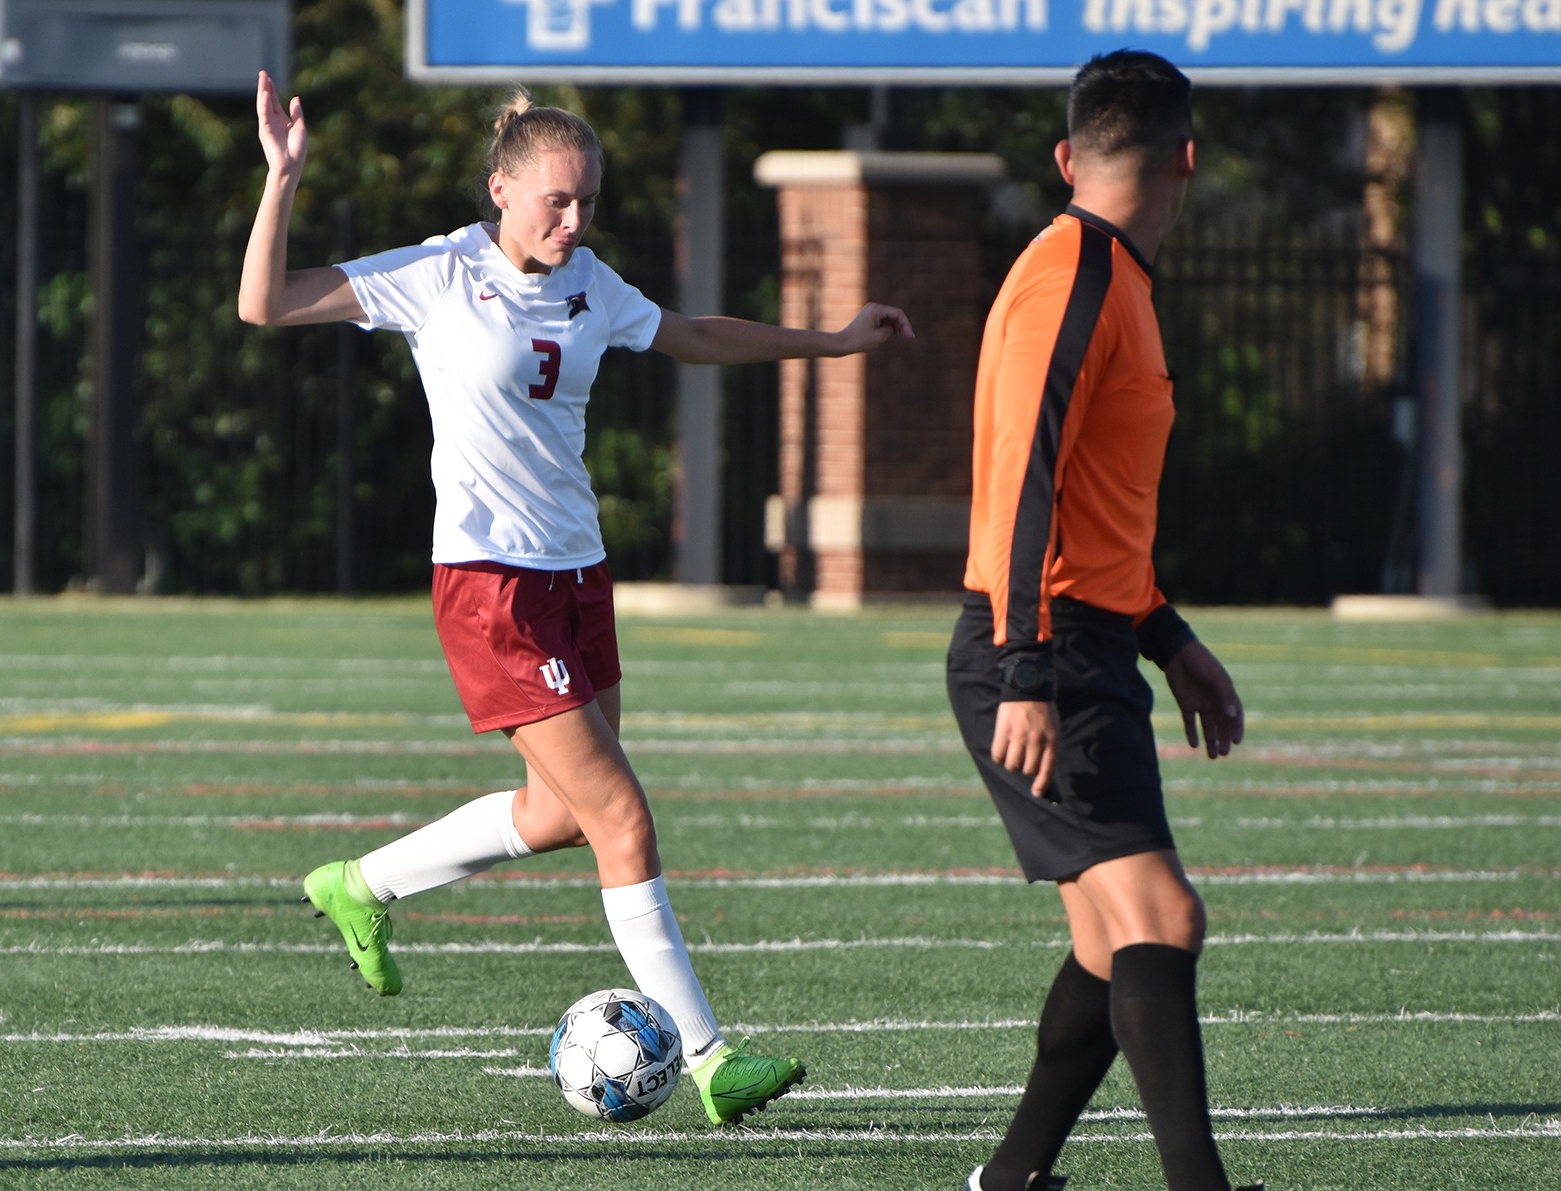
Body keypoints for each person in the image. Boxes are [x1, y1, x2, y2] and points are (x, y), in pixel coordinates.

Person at [237, 71, 914, 1128]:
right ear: (500, 189)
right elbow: (266, 304)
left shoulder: (592, 281)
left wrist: (830, 342)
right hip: (491, 588)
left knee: (560, 813)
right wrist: (282, 178)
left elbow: (694, 335)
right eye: (556, 200)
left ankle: (360, 885)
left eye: (587, 200)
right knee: (621, 818)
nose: (573, 219)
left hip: (578, 576)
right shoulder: (439, 274)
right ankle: (712, 1061)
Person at [945, 51, 1261, 1191]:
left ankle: (1011, 1178)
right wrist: (1025, 669)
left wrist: (1167, 637)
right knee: (1161, 919)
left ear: (1067, 156)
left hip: (1081, 641)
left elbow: (1089, 507)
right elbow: (1021, 484)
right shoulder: (1075, 273)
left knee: (1110, 938)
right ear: (1189, 157)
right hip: (1043, 649)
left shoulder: (1112, 274)